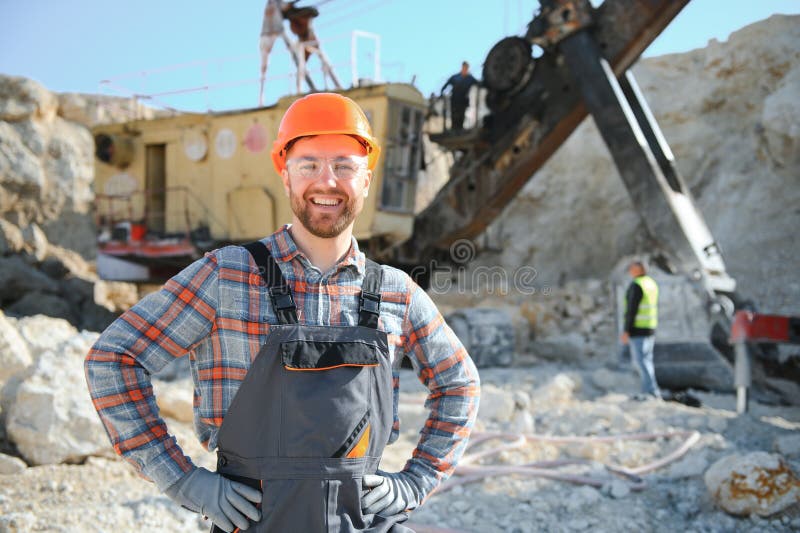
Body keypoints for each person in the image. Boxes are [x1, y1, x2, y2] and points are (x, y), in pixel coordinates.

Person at [85, 92, 480, 532]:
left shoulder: (396, 293)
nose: (326, 181)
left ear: (366, 180)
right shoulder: (225, 276)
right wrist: (183, 481)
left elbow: (460, 384)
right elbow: (112, 360)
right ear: (285, 175)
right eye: (309, 164)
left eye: (344, 166)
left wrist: (416, 480)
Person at [619, 261, 661, 399]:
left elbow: (632, 310)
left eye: (632, 267)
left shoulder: (637, 285)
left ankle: (650, 392)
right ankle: (650, 390)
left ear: (638, 269)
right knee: (647, 361)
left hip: (638, 329)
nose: (630, 270)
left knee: (641, 362)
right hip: (650, 327)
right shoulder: (651, 283)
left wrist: (626, 331)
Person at [259, 0, 285, 106]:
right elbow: (285, 7)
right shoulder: (276, 3)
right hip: (270, 34)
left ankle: (261, 97)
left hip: (266, 36)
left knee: (264, 66)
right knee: (264, 66)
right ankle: (261, 97)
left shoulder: (271, 4)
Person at [440, 61, 480, 130]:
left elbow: (479, 84)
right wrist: (442, 93)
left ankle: (459, 129)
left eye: (466, 68)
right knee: (454, 115)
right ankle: (454, 129)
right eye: (464, 67)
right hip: (454, 100)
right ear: (462, 67)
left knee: (461, 116)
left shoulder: (470, 78)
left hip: (464, 100)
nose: (465, 69)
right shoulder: (455, 77)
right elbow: (446, 85)